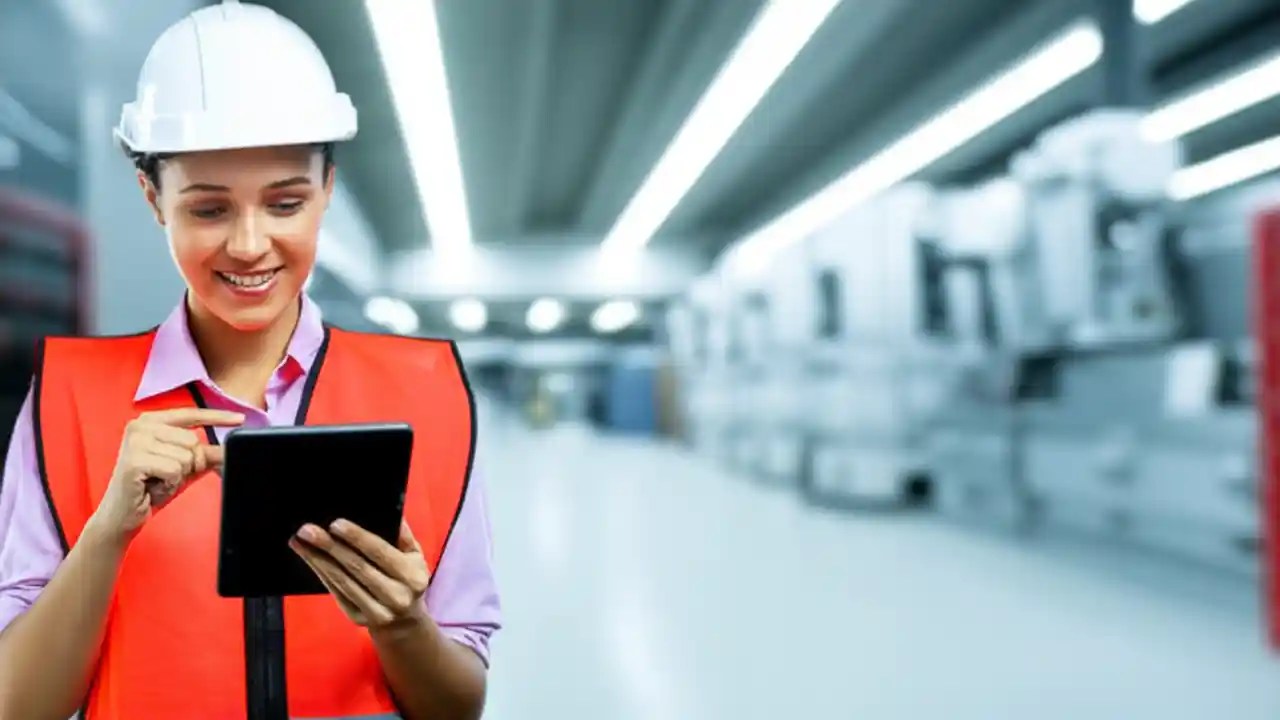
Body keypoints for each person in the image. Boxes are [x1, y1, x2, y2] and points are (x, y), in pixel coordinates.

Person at [0, 3, 500, 719]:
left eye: (285, 202)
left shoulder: (430, 394)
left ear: (326, 190)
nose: (248, 244)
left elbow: (459, 708)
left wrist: (403, 624)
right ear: (154, 200)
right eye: (208, 210)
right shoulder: (67, 402)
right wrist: (107, 533)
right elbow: (21, 708)